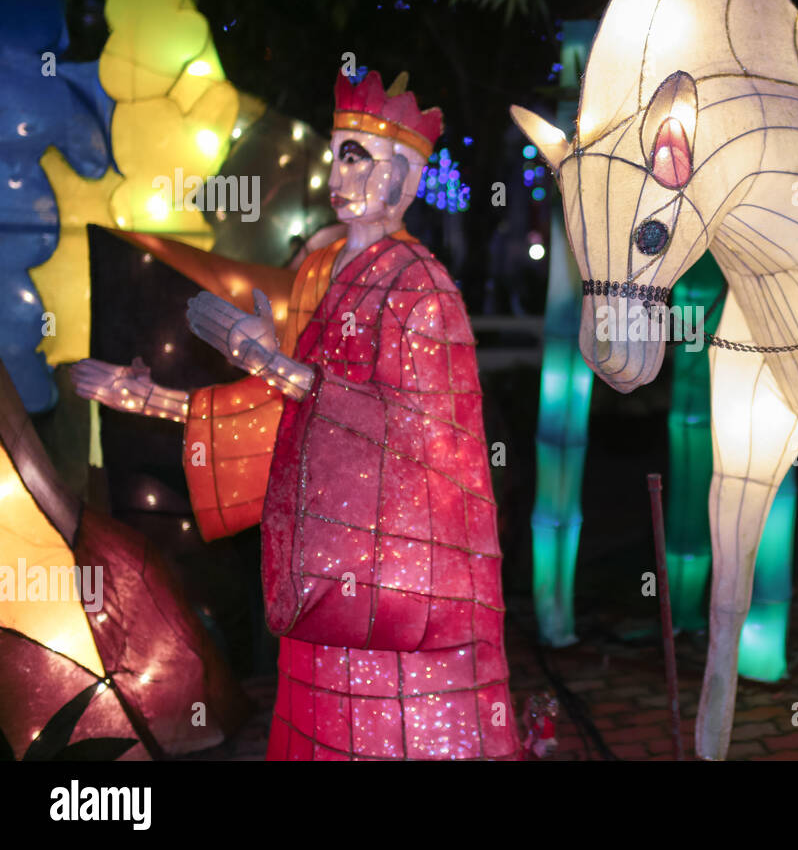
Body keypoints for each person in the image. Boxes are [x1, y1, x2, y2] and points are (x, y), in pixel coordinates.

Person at [71, 68, 520, 760]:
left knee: (399, 735)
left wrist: (276, 364)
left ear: (403, 180)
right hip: (322, 570)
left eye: (355, 155)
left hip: (394, 587)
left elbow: (423, 438)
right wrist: (152, 398)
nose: (336, 172)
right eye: (335, 151)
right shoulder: (329, 272)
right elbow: (282, 415)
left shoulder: (425, 289)